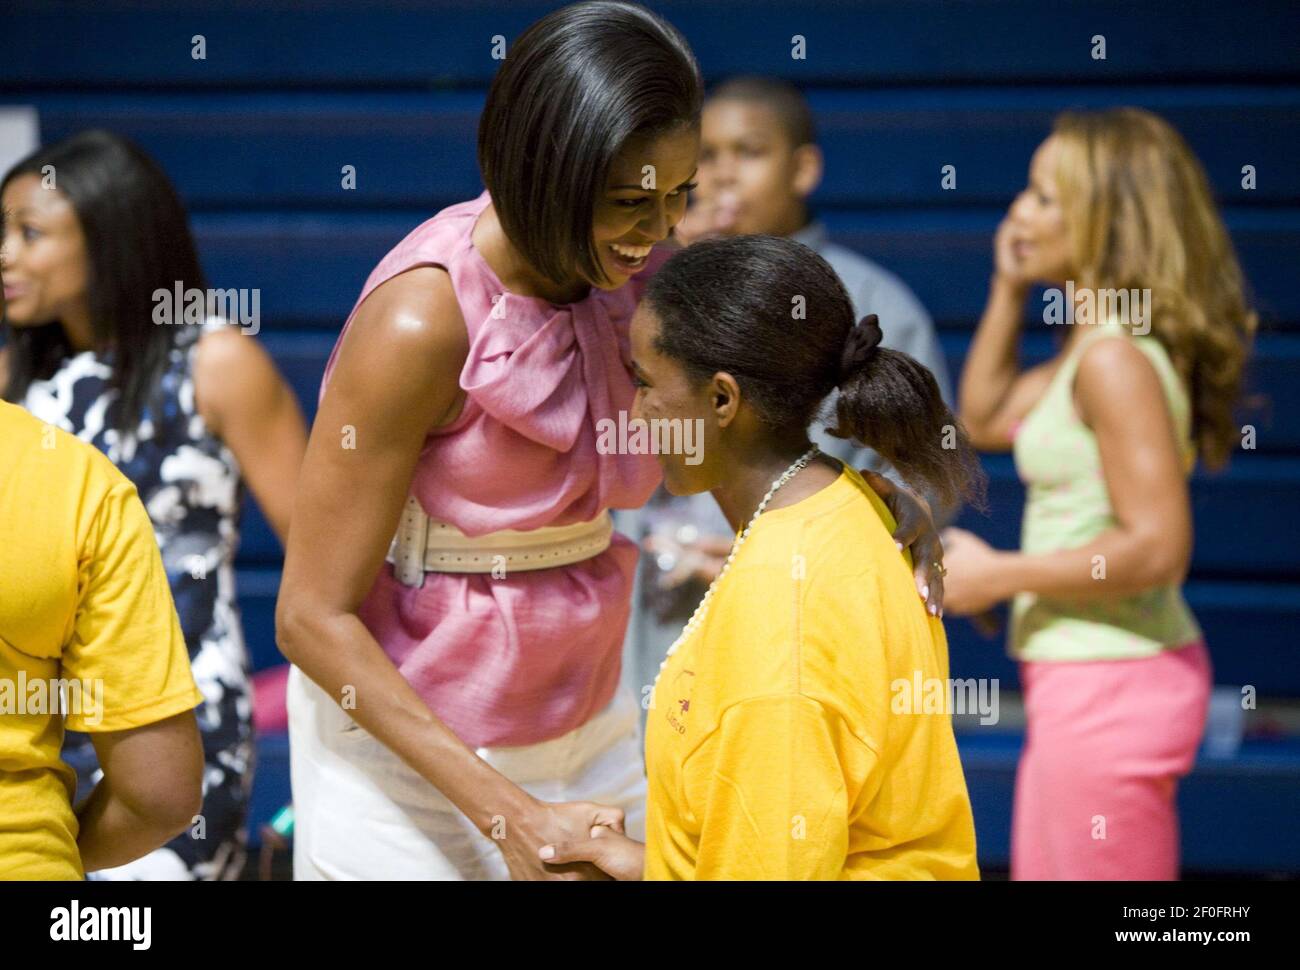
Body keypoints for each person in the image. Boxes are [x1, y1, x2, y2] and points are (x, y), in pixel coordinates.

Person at [276, 1, 945, 881]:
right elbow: (308, 616)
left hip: (594, 724)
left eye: (679, 196)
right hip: (411, 759)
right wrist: (509, 815)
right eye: (631, 202)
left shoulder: (647, 274)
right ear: (540, 172)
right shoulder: (420, 320)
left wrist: (864, 515)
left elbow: (748, 421)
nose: (660, 232)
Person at [537, 235, 983, 880]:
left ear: (721, 400)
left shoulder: (781, 620)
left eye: (645, 384)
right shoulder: (846, 503)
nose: (633, 413)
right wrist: (643, 864)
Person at [942, 108, 1255, 879]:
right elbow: (982, 417)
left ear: (1110, 222)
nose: (1020, 209)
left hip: (1114, 687)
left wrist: (996, 576)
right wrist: (1009, 287)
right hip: (1085, 681)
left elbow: (1157, 548)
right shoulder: (1091, 347)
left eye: (1046, 196)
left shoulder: (1114, 361)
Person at [0, 129, 308, 879]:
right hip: (48, 720)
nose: (5, 254)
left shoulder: (217, 360)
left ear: (109, 240)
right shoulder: (24, 372)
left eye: (29, 233)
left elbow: (320, 557)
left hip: (178, 721)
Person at [620, 76, 954, 725]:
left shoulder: (871, 301)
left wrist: (851, 530)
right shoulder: (647, 287)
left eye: (748, 153)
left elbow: (924, 472)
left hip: (802, 611)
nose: (722, 178)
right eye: (707, 158)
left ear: (803, 168)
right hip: (658, 619)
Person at [2, 247, 205, 880]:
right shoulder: (74, 480)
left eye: (35, 232)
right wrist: (47, 847)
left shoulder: (214, 360)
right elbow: (161, 795)